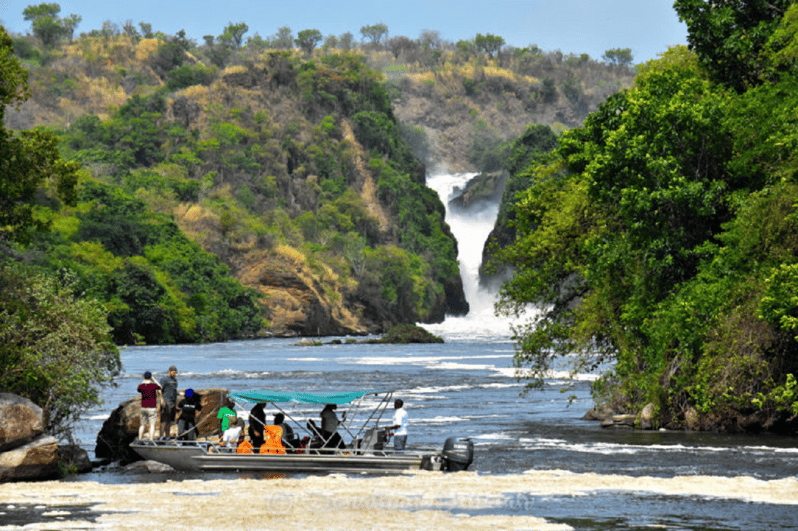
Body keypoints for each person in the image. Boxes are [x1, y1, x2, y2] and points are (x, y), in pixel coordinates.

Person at [137, 371, 161, 440]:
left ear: (144, 377)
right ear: (150, 377)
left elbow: (138, 389)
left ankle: (140, 439)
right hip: (152, 407)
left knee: (142, 425)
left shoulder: (141, 386)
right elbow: (160, 387)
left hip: (143, 407)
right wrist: (154, 380)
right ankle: (151, 439)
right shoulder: (153, 386)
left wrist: (143, 381)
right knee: (152, 425)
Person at [158, 365, 178, 439]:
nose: (175, 374)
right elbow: (159, 389)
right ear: (169, 372)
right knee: (164, 420)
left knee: (170, 421)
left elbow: (174, 390)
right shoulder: (164, 379)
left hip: (173, 402)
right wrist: (161, 400)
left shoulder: (175, 380)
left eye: (175, 372)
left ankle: (167, 436)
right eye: (173, 372)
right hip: (166, 401)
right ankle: (160, 436)